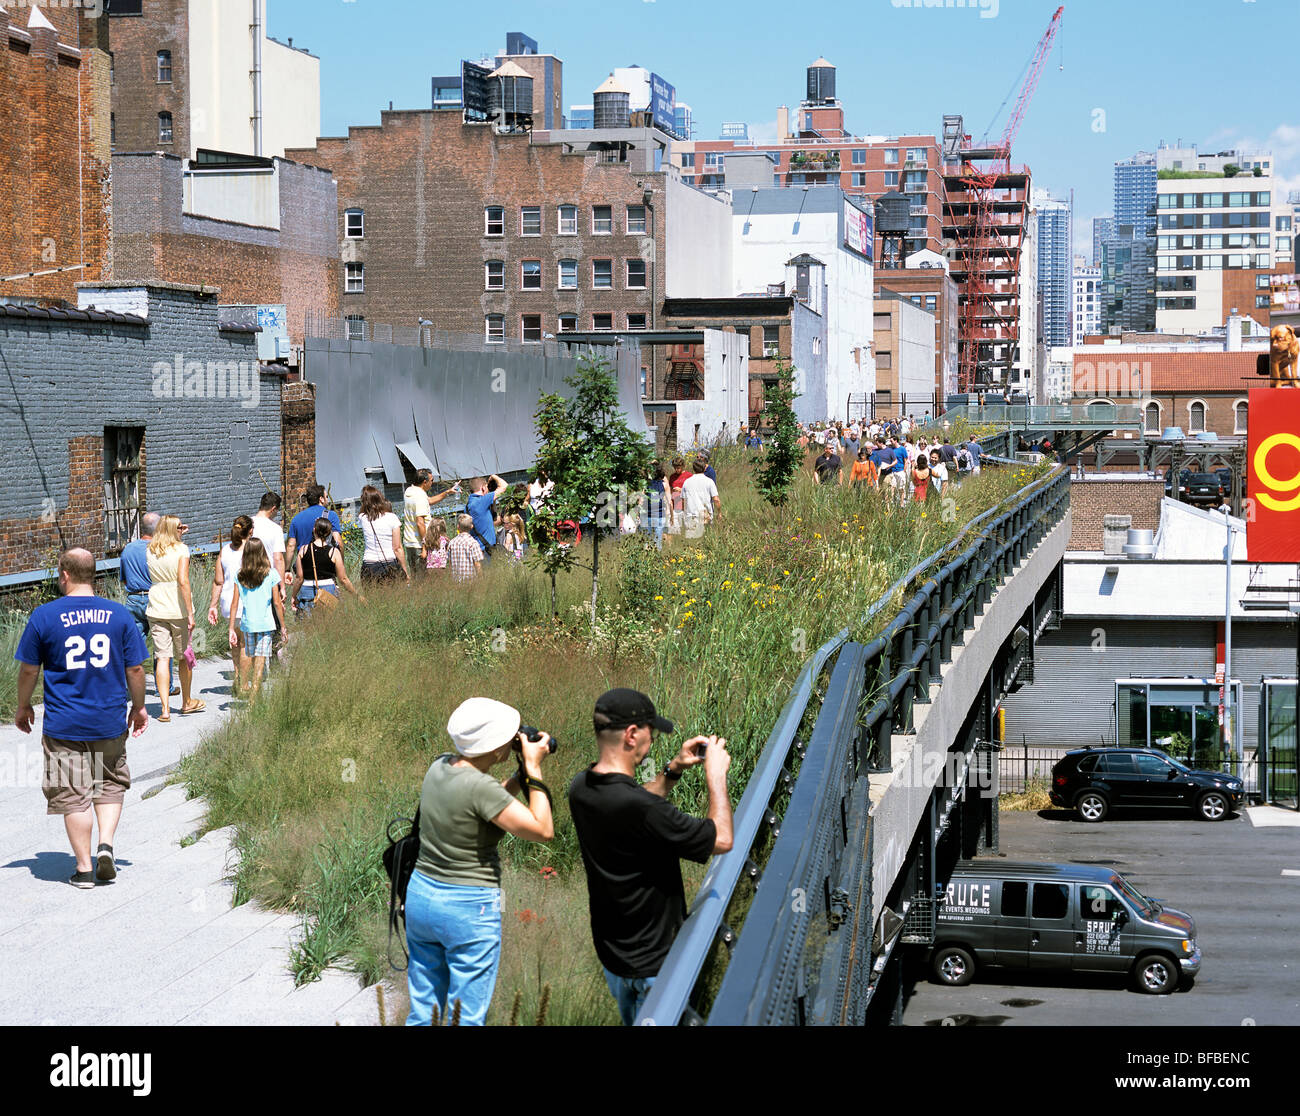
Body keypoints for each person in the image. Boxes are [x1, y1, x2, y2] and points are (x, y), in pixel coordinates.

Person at [568, 689, 734, 1026]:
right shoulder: (642, 809)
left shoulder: (581, 787)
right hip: (656, 964)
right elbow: (722, 839)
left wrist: (673, 769)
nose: (652, 742)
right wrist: (716, 777)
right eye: (651, 733)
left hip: (614, 957)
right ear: (632, 735)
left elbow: (634, 802)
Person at [405, 698, 554, 1027]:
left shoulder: (440, 766)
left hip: (421, 897)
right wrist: (533, 769)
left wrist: (517, 777)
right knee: (466, 1018)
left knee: (423, 1014)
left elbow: (486, 799)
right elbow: (542, 830)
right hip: (468, 909)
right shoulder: (481, 788)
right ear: (497, 744)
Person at [13, 549, 149, 889]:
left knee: (73, 795)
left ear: (64, 575)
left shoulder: (44, 616)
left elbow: (29, 668)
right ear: (93, 575)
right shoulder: (119, 616)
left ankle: (85, 869)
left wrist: (23, 705)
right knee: (110, 784)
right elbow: (134, 668)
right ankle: (106, 844)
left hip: (64, 725)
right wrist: (139, 707)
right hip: (109, 720)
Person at [145, 514, 203, 721]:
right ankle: (186, 701)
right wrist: (190, 612)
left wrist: (176, 530)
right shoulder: (181, 549)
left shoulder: (151, 550)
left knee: (162, 656)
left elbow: (167, 541)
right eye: (179, 527)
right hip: (177, 608)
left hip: (156, 606)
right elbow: (183, 581)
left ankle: (165, 709)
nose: (182, 529)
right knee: (184, 656)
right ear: (172, 530)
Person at [119, 511, 176, 697]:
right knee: (162, 645)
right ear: (159, 528)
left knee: (132, 645)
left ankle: (126, 687)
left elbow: (124, 580)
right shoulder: (161, 549)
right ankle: (165, 688)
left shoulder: (128, 549)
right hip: (157, 599)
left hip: (134, 599)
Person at [227, 537, 284, 701]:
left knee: (247, 653)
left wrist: (231, 627)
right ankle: (255, 693)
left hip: (247, 621)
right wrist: (284, 625)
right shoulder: (271, 574)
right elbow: (277, 602)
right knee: (261, 657)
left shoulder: (241, 575)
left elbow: (234, 603)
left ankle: (244, 684)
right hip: (265, 622)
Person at [208, 514, 254, 693]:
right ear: (250, 531)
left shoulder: (225, 550)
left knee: (235, 642)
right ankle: (243, 684)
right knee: (245, 644)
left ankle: (237, 677)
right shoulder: (251, 549)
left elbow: (218, 580)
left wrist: (213, 605)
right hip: (245, 600)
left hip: (227, 602)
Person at [290, 516, 360, 615]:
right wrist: (355, 594)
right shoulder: (333, 552)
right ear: (329, 533)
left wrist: (293, 596)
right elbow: (343, 579)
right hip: (328, 589)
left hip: (307, 590)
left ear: (314, 530)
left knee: (307, 624)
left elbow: (299, 578)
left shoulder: (303, 550)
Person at [403, 470, 460, 580]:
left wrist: (447, 492)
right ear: (425, 482)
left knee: (416, 576)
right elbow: (420, 523)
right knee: (422, 579)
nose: (432, 483)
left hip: (410, 542)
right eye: (432, 480)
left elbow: (428, 501)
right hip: (419, 545)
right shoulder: (419, 497)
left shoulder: (410, 491)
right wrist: (425, 546)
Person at [285, 484, 342, 577]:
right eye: (326, 497)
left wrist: (287, 569)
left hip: (304, 566)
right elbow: (338, 541)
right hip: (326, 567)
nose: (327, 499)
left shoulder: (296, 518)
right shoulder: (331, 515)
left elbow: (291, 546)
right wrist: (340, 562)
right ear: (321, 499)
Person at [358, 484, 408, 585]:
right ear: (380, 498)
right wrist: (404, 570)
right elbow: (397, 548)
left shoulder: (362, 518)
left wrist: (366, 503)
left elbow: (364, 511)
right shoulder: (392, 518)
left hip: (369, 564)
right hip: (389, 562)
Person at [465, 474, 505, 560]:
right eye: (486, 487)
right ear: (483, 488)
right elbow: (504, 486)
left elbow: (493, 520)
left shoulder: (469, 505)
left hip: (479, 549)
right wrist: (494, 476)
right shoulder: (481, 501)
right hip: (485, 550)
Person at [680, 458, 721, 536]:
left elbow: (683, 501)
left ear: (694, 469)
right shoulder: (709, 481)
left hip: (691, 517)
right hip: (705, 517)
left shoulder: (686, 482)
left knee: (692, 543)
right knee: (707, 539)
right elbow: (716, 500)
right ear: (704, 468)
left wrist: (684, 513)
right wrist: (719, 512)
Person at [640, 461, 672, 550]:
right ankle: (657, 558)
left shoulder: (646, 484)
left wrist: (638, 514)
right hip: (659, 515)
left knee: (647, 541)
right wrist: (671, 516)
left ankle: (646, 559)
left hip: (647, 515)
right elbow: (669, 502)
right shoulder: (664, 484)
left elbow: (641, 501)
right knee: (658, 540)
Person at [448, 514, 485, 584]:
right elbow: (477, 563)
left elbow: (450, 563)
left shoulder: (452, 543)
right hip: (470, 580)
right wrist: (481, 578)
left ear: (458, 527)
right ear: (471, 527)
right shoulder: (473, 543)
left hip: (456, 580)